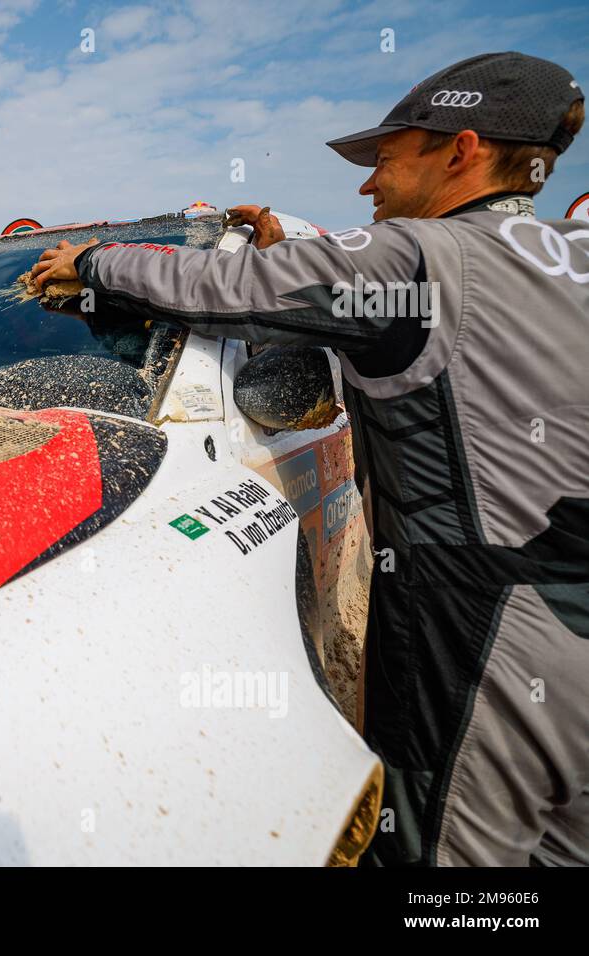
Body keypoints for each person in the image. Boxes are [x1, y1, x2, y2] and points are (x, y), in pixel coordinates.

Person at [32, 52, 587, 867]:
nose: (369, 187)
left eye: (384, 160)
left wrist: (92, 263)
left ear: (460, 150)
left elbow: (233, 287)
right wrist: (293, 241)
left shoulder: (424, 259)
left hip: (489, 639)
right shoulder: (566, 252)